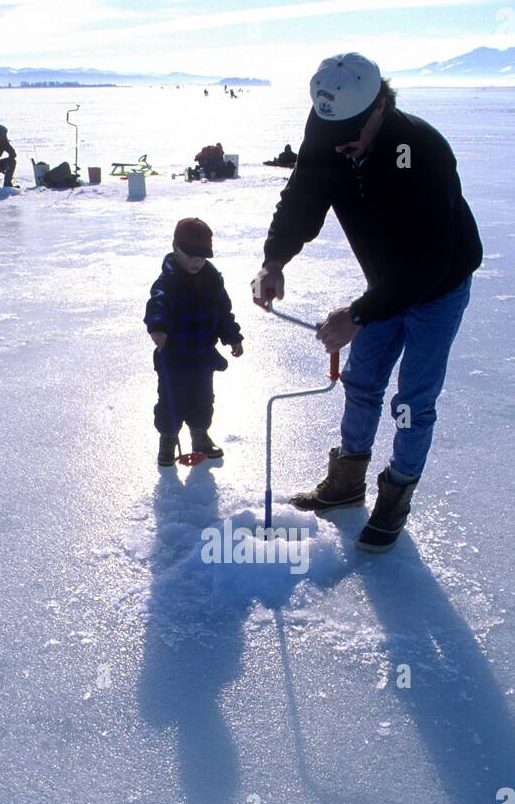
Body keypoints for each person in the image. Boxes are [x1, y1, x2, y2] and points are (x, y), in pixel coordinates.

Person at [252, 52, 483, 552]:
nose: (343, 142)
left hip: (438, 286)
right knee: (361, 381)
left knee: (412, 401)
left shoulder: (420, 150)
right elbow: (302, 198)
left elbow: (429, 263)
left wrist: (359, 314)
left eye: (355, 129)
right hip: (382, 285)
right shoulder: (327, 131)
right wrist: (275, 259)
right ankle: (346, 484)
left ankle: (395, 497)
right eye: (335, 130)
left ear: (381, 104)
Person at [145, 217, 244, 466]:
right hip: (174, 355)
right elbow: (157, 304)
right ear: (175, 248)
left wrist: (232, 337)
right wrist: (158, 327)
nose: (197, 261)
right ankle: (168, 439)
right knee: (171, 400)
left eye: (202, 255)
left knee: (203, 399)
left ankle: (200, 436)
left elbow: (223, 311)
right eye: (190, 254)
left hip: (203, 355)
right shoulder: (167, 282)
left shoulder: (212, 280)